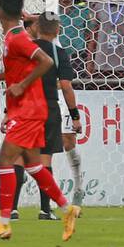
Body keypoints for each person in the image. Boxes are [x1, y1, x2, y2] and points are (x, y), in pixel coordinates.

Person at [0, 0, 80, 241]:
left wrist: (22, 85)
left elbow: (44, 62)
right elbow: (20, 68)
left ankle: (3, 223)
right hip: (28, 108)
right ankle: (67, 210)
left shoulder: (17, 39)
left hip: (29, 110)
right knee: (33, 164)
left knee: (4, 161)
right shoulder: (14, 38)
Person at [6, 15, 84, 219]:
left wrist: (8, 112)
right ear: (58, 31)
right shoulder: (59, 53)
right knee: (45, 159)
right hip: (48, 108)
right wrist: (75, 116)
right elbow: (66, 86)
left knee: (20, 158)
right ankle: (44, 210)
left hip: (24, 108)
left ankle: (12, 209)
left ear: (36, 27)